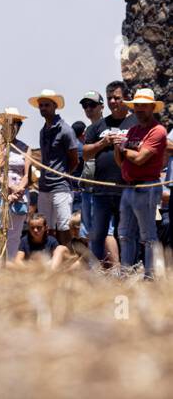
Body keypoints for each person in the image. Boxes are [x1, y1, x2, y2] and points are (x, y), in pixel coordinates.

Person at [114, 88, 168, 279]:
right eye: (137, 105)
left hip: (146, 187)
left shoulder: (158, 131)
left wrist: (122, 147)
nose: (139, 109)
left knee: (147, 235)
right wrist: (118, 147)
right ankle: (126, 273)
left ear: (152, 107)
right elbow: (121, 162)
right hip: (130, 186)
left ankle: (150, 275)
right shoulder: (133, 130)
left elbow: (140, 159)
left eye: (144, 105)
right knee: (125, 233)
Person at [82, 81, 134, 269]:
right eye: (110, 97)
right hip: (101, 189)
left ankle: (128, 270)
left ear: (126, 98)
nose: (113, 101)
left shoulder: (135, 122)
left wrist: (125, 145)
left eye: (117, 98)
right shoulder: (97, 126)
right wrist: (103, 143)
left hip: (128, 188)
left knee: (127, 233)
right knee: (98, 234)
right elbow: (86, 153)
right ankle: (97, 273)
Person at [27, 89, 79, 246]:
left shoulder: (66, 130)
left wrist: (62, 175)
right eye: (41, 105)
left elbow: (74, 160)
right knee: (45, 228)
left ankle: (66, 260)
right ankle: (48, 262)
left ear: (55, 106)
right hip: (44, 187)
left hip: (60, 187)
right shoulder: (43, 130)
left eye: (46, 105)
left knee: (64, 227)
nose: (43, 108)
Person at [0, 108, 31, 260]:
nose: (14, 127)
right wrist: (11, 189)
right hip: (3, 191)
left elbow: (27, 174)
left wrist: (19, 189)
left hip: (20, 193)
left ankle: (9, 266)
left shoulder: (25, 147)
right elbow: (0, 172)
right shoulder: (0, 144)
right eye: (11, 123)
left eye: (17, 124)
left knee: (14, 235)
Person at [77, 90, 105, 244]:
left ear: (101, 107)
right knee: (87, 229)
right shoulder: (88, 130)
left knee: (102, 229)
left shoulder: (107, 127)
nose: (88, 108)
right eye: (85, 105)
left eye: (92, 105)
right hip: (87, 185)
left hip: (101, 186)